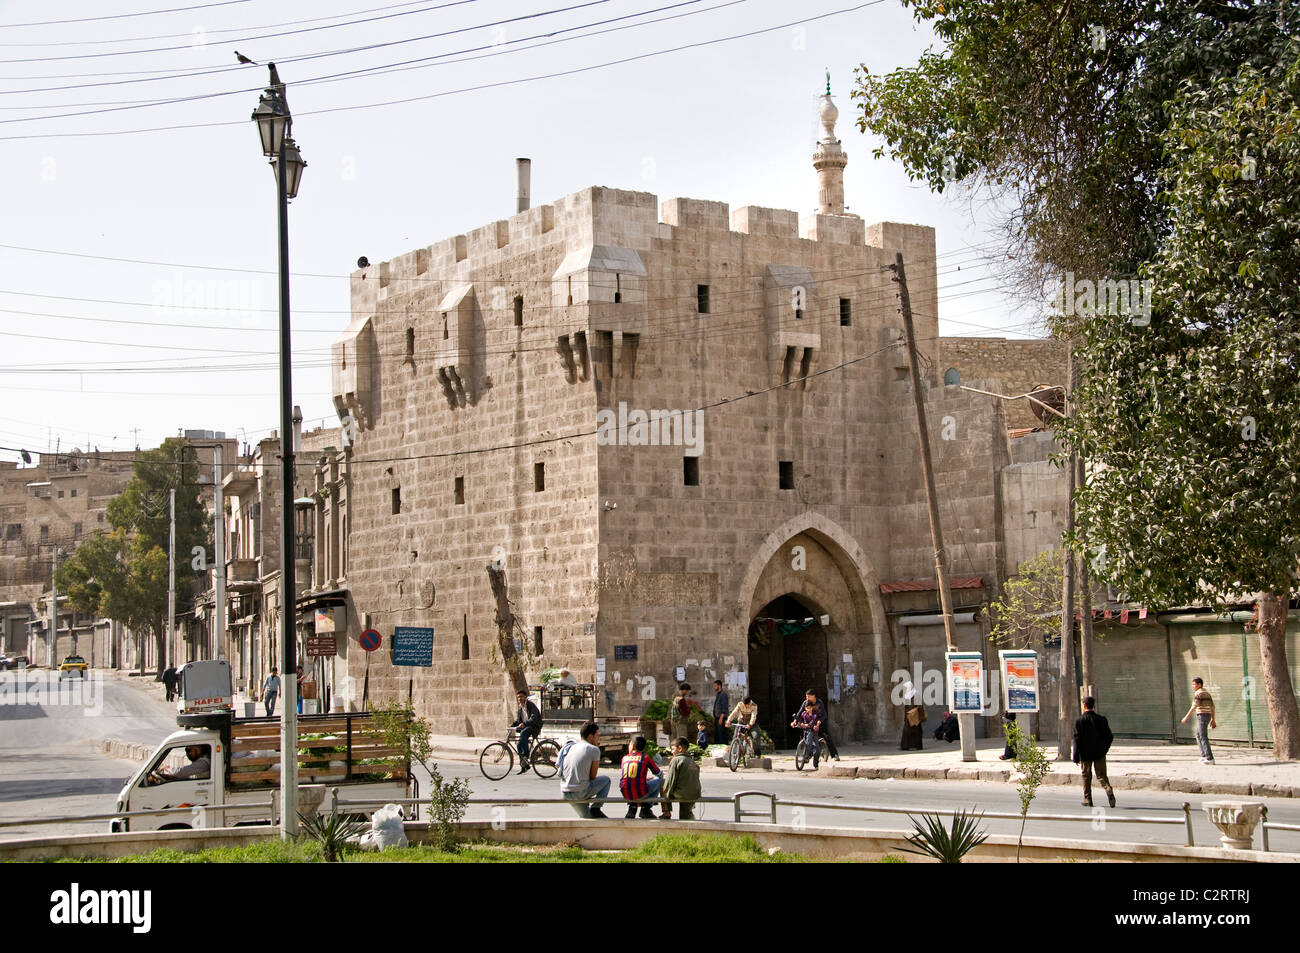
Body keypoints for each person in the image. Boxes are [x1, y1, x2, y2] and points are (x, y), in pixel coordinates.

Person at [557, 721, 610, 818]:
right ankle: (596, 808)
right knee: (606, 780)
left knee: (588, 818)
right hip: (581, 791)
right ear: (591, 736)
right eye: (597, 735)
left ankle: (593, 811)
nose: (598, 738)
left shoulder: (571, 746)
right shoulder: (594, 749)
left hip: (565, 792)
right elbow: (592, 776)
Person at [1072, 695, 1116, 808]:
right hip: (1099, 753)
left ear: (1084, 705)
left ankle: (1088, 799)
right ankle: (1108, 788)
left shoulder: (1079, 721)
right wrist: (1104, 749)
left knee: (1086, 776)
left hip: (1085, 754)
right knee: (1101, 775)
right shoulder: (1101, 719)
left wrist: (1076, 756)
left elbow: (1077, 740)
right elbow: (1109, 737)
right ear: (1093, 706)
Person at [619, 736, 662, 819]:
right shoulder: (645, 758)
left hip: (625, 793)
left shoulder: (624, 758)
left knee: (632, 785)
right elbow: (659, 774)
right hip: (640, 793)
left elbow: (629, 776)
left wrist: (644, 779)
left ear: (633, 745)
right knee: (659, 780)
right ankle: (645, 808)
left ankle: (632, 808)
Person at [660, 737, 701, 820]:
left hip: (682, 794)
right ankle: (689, 815)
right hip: (695, 794)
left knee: (662, 783)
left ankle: (666, 812)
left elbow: (670, 780)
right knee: (685, 815)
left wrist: (666, 797)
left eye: (673, 749)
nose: (671, 751)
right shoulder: (693, 762)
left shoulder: (676, 760)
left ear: (680, 748)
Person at [1180, 677, 1216, 764]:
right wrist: (1213, 719)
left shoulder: (1199, 694)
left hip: (1202, 716)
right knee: (1198, 735)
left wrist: (1186, 717)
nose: (1193, 686)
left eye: (1194, 684)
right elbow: (1212, 707)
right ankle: (1204, 755)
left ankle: (1210, 758)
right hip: (1205, 716)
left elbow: (1194, 706)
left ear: (1199, 684)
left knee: (1203, 736)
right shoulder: (1207, 693)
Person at [510, 688, 543, 774]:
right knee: (519, 744)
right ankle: (524, 766)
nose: (519, 699)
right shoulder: (520, 707)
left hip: (534, 726)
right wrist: (512, 725)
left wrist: (524, 724)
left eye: (521, 697)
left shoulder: (530, 705)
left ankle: (526, 755)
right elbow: (518, 721)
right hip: (526, 726)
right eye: (518, 697)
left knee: (523, 733)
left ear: (525, 697)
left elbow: (533, 718)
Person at [804, 689, 840, 760]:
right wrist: (796, 720)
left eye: (808, 697)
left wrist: (819, 722)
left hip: (821, 722)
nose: (807, 698)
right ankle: (808, 756)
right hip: (811, 722)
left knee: (827, 737)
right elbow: (800, 711)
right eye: (806, 697)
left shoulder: (819, 702)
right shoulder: (805, 702)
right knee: (808, 738)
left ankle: (834, 755)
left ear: (813, 696)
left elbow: (824, 715)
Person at [791, 699, 823, 769]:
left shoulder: (815, 715)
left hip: (814, 733)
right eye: (807, 708)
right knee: (808, 738)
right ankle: (806, 755)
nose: (808, 709)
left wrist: (815, 725)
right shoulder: (803, 714)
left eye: (810, 708)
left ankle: (815, 763)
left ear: (812, 707)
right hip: (806, 732)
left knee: (817, 749)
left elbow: (815, 721)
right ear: (805, 708)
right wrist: (798, 723)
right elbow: (800, 721)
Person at [900, 683, 925, 750]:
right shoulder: (907, 695)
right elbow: (906, 707)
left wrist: (919, 714)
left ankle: (918, 746)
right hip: (909, 716)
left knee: (917, 731)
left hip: (915, 716)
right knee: (907, 731)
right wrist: (905, 717)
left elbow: (920, 705)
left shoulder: (916, 694)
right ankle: (905, 746)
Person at [711, 679, 730, 745]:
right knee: (717, 735)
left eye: (715, 686)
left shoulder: (723, 695)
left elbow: (724, 707)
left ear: (719, 686)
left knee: (722, 735)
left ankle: (724, 748)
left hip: (721, 718)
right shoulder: (718, 694)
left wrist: (721, 718)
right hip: (717, 718)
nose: (714, 687)